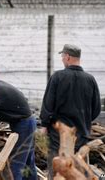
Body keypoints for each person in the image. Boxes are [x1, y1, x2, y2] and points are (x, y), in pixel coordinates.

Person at [40, 44, 101, 179]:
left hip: (59, 137)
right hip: (82, 134)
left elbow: (48, 105)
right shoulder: (90, 79)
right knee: (79, 171)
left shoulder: (57, 77)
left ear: (67, 57)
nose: (62, 59)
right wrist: (84, 121)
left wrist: (44, 125)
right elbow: (96, 108)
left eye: (62, 56)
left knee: (57, 171)